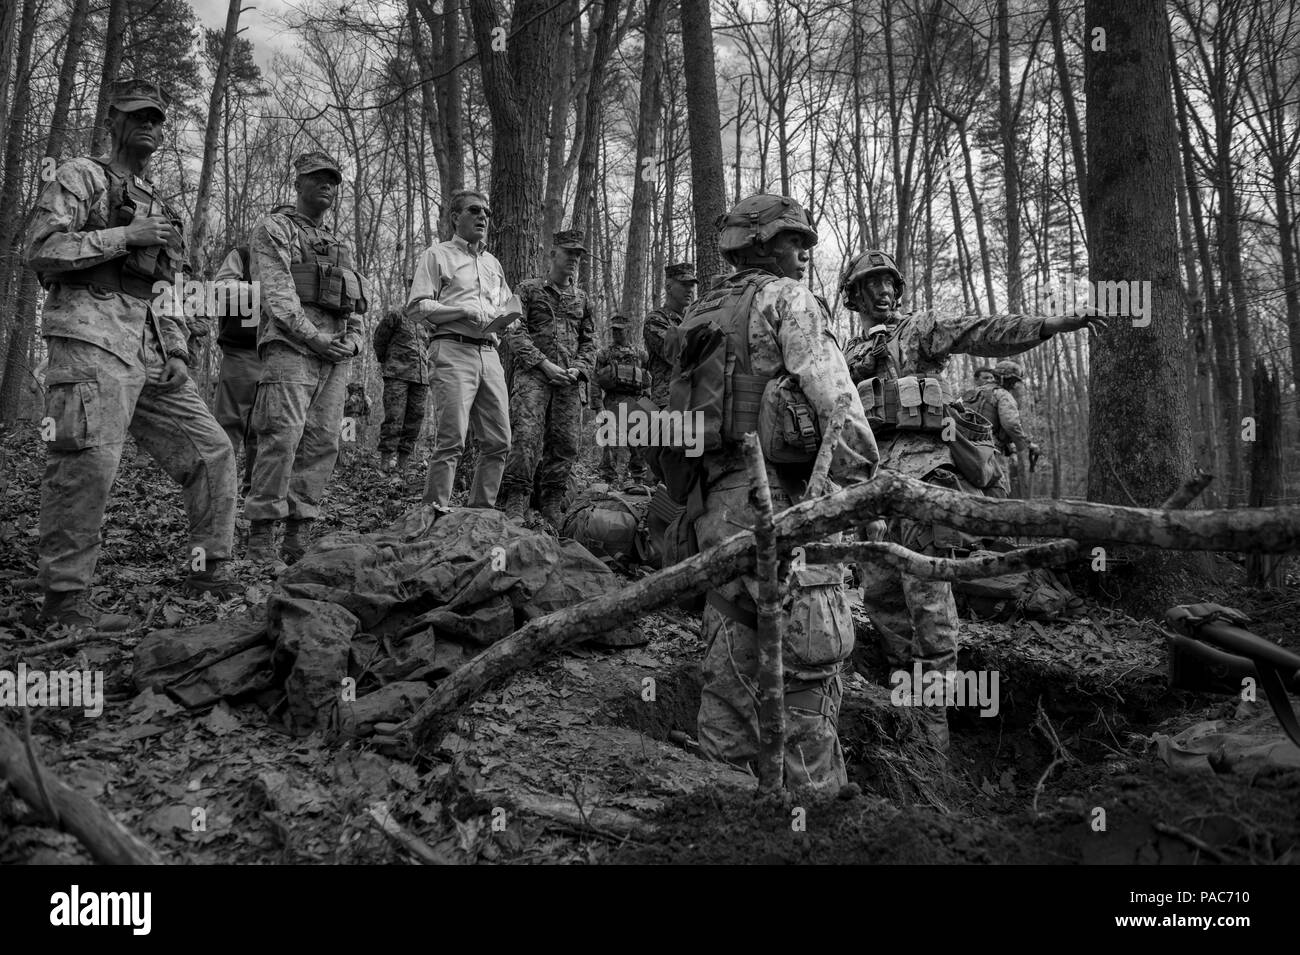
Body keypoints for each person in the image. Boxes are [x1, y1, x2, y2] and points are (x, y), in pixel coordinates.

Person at [841, 249, 1103, 750]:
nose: (884, 291)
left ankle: (934, 732)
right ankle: (907, 712)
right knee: (882, 602)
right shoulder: (847, 353)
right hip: (872, 492)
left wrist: (1051, 324)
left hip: (926, 484)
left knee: (930, 603)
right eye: (871, 284)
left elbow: (981, 330)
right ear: (853, 294)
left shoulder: (920, 329)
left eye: (889, 282)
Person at [671, 195, 880, 791]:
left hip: (713, 512)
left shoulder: (699, 313)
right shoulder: (788, 299)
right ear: (759, 245)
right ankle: (816, 819)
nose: (803, 254)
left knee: (730, 681)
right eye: (793, 241)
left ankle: (733, 816)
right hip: (786, 507)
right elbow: (840, 410)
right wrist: (857, 498)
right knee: (807, 682)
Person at [25, 77, 238, 630]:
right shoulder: (81, 174)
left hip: (151, 347)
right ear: (113, 121)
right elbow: (41, 248)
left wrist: (178, 349)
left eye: (156, 118)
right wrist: (125, 236)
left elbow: (171, 284)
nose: (148, 124)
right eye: (137, 114)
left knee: (212, 450)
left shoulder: (161, 205)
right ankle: (64, 601)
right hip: (91, 335)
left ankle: (209, 568)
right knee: (89, 461)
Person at [244, 151, 368, 565]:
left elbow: (357, 304)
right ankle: (262, 538)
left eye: (332, 180)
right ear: (298, 183)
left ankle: (298, 534)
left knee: (322, 443)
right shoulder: (274, 228)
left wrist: (353, 341)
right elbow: (276, 293)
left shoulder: (340, 244)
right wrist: (315, 338)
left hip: (334, 357)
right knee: (281, 438)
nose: (326, 185)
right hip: (291, 349)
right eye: (317, 178)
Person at [407, 189, 512, 508]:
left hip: (490, 354)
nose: (483, 217)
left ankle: (480, 512)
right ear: (455, 217)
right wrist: (462, 311)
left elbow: (507, 305)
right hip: (452, 349)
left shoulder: (493, 264)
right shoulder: (437, 254)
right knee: (452, 439)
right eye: (474, 210)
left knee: (499, 440)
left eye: (487, 213)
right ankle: (434, 511)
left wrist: (509, 319)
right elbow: (416, 307)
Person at [499, 229, 597, 525]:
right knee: (526, 436)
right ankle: (516, 498)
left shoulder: (583, 299)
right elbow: (514, 331)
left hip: (569, 382)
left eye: (579, 255)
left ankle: (552, 501)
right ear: (553, 254)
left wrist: (578, 369)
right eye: (569, 253)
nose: (574, 259)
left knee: (565, 443)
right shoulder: (527, 290)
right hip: (533, 377)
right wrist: (543, 364)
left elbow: (590, 342)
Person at [210, 244, 260, 499]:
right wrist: (261, 290)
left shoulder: (295, 260)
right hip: (241, 350)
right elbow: (220, 290)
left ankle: (254, 492)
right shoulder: (244, 255)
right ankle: (220, 490)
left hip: (278, 355)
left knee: (264, 428)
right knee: (229, 423)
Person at [373, 305, 431, 477]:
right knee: (394, 417)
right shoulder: (396, 315)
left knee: (415, 419)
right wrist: (387, 361)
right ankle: (385, 462)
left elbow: (428, 346)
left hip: (421, 379)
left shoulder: (427, 321)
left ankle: (402, 464)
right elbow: (379, 339)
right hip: (397, 374)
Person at [593, 313, 651, 485]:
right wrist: (597, 405)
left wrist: (647, 398)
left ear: (628, 330)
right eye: (614, 330)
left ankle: (638, 479)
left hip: (635, 399)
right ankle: (608, 480)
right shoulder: (604, 354)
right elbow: (595, 380)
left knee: (638, 440)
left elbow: (648, 377)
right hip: (613, 400)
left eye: (620, 330)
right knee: (610, 440)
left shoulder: (640, 354)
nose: (616, 333)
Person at [963, 363, 1032, 498]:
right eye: (1013, 381)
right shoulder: (1002, 395)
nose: (1014, 385)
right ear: (1006, 379)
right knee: (998, 492)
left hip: (965, 449)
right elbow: (1011, 424)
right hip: (992, 452)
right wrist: (1023, 444)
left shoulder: (971, 394)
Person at [643, 262, 698, 409]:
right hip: (667, 401)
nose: (690, 290)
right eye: (684, 284)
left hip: (695, 399)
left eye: (692, 285)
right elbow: (678, 354)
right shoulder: (655, 320)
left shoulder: (695, 318)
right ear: (668, 287)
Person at [340, 380, 372, 467]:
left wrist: (367, 422)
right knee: (348, 443)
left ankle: (356, 462)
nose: (357, 394)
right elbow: (342, 408)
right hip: (349, 420)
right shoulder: (348, 398)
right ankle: (347, 462)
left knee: (358, 443)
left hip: (359, 421)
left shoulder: (364, 399)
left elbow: (367, 411)